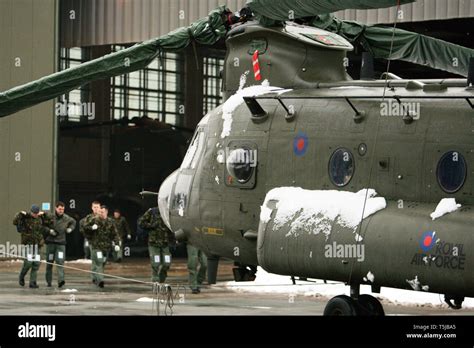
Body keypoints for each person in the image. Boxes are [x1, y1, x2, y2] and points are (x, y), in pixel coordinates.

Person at [12, 205, 53, 288]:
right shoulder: (25, 218)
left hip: (37, 245)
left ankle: (33, 282)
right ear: (31, 212)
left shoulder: (40, 218)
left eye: (36, 213)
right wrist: (20, 214)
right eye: (34, 213)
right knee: (28, 262)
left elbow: (51, 218)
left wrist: (44, 213)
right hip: (28, 244)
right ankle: (22, 276)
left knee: (36, 263)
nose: (35, 215)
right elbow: (15, 222)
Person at [80, 205, 120, 288]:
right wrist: (91, 228)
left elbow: (115, 234)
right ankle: (100, 280)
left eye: (103, 212)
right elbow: (84, 227)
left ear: (106, 212)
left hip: (106, 247)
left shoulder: (110, 221)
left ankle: (95, 277)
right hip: (96, 246)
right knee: (99, 261)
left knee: (103, 263)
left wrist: (116, 244)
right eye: (100, 212)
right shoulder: (94, 220)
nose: (101, 213)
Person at [138, 207, 174, 283]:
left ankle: (162, 277)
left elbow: (172, 225)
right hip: (154, 243)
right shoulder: (152, 211)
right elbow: (141, 222)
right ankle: (155, 281)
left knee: (167, 263)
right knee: (155, 263)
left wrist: (174, 238)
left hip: (165, 243)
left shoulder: (167, 212)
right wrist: (150, 225)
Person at [45, 201, 76, 288]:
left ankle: (61, 280)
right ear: (56, 208)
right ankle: (49, 281)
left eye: (62, 209)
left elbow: (74, 222)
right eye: (59, 209)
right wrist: (49, 231)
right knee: (49, 263)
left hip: (61, 244)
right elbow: (43, 225)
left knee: (60, 262)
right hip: (51, 243)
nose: (61, 211)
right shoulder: (50, 217)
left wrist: (70, 228)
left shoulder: (67, 218)